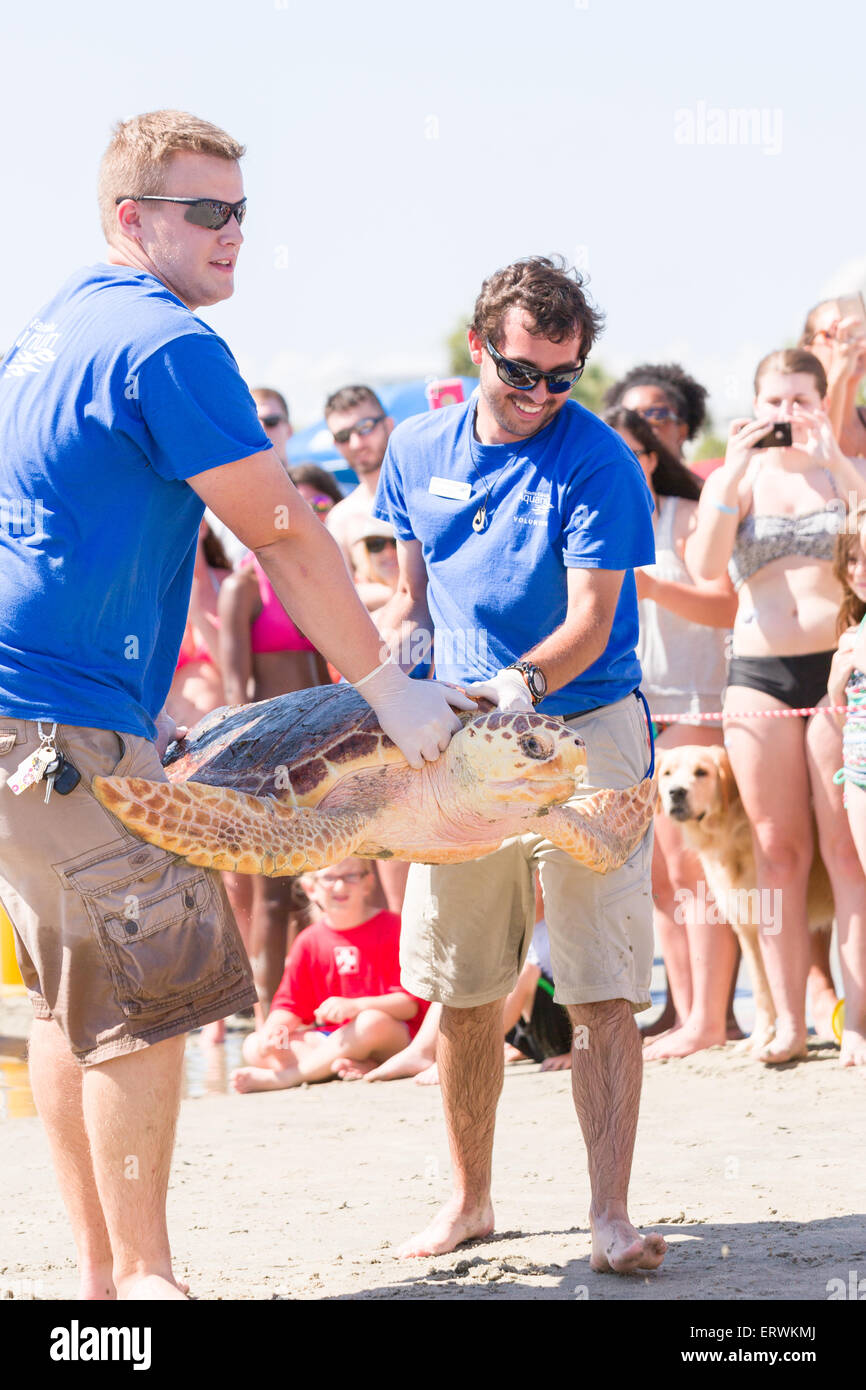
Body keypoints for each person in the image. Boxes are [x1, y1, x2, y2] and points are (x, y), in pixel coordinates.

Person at [0, 108, 471, 1302]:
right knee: (146, 1006)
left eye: (241, 211)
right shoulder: (164, 344)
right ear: (132, 219)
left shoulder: (51, 328)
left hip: (27, 714)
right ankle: (149, 1291)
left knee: (73, 1004)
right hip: (59, 721)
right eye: (205, 212)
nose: (232, 235)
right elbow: (283, 535)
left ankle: (103, 1289)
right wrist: (385, 690)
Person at [374, 255, 666, 1273]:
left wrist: (518, 687)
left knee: (599, 986)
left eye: (562, 375)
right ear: (476, 348)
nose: (541, 394)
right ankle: (468, 1202)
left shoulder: (598, 461)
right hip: (461, 749)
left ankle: (609, 1217)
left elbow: (591, 621)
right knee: (462, 986)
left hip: (585, 725)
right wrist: (389, 672)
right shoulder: (412, 447)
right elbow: (411, 594)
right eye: (521, 372)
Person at [687, 348, 866, 1064]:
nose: (788, 415)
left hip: (837, 675)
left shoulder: (841, 472)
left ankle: (854, 1020)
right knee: (776, 853)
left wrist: (842, 466)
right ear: (755, 406)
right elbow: (705, 565)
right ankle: (785, 1019)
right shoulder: (738, 478)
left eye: (802, 400)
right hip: (758, 677)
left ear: (824, 403)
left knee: (845, 855)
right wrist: (730, 473)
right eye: (776, 402)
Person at [605, 406, 741, 1060]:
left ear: (653, 456)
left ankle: (711, 1020)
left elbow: (728, 606)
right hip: (627, 708)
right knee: (659, 877)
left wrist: (654, 589)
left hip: (694, 701)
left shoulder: (686, 519)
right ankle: (686, 1015)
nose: (620, 463)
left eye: (631, 451)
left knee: (699, 872)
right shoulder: (591, 519)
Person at [231, 858, 427, 1093]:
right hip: (333, 1038)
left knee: (369, 1022)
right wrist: (276, 1028)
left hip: (393, 1034)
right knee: (254, 1045)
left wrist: (357, 1006)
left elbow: (411, 1006)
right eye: (330, 878)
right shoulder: (309, 940)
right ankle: (347, 1065)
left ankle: (289, 1077)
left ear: (368, 883)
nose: (340, 886)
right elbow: (290, 1005)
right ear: (310, 889)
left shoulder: (394, 928)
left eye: (351, 877)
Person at [826, 502, 866, 1064]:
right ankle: (854, 1022)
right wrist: (838, 676)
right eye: (852, 558)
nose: (859, 569)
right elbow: (843, 714)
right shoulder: (851, 629)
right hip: (858, 774)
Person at [324, 384, 398, 595]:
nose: (356, 443)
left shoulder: (425, 493)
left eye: (365, 427)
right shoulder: (340, 518)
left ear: (388, 425)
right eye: (343, 436)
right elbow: (340, 599)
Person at [165, 519, 232, 730]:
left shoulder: (232, 586)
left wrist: (197, 615)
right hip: (171, 733)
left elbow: (237, 670)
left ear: (201, 527)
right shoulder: (153, 596)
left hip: (224, 727)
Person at [799, 298, 866, 460]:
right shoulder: (798, 423)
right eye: (834, 334)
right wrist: (839, 376)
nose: (849, 344)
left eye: (855, 331)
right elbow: (824, 462)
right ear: (810, 352)